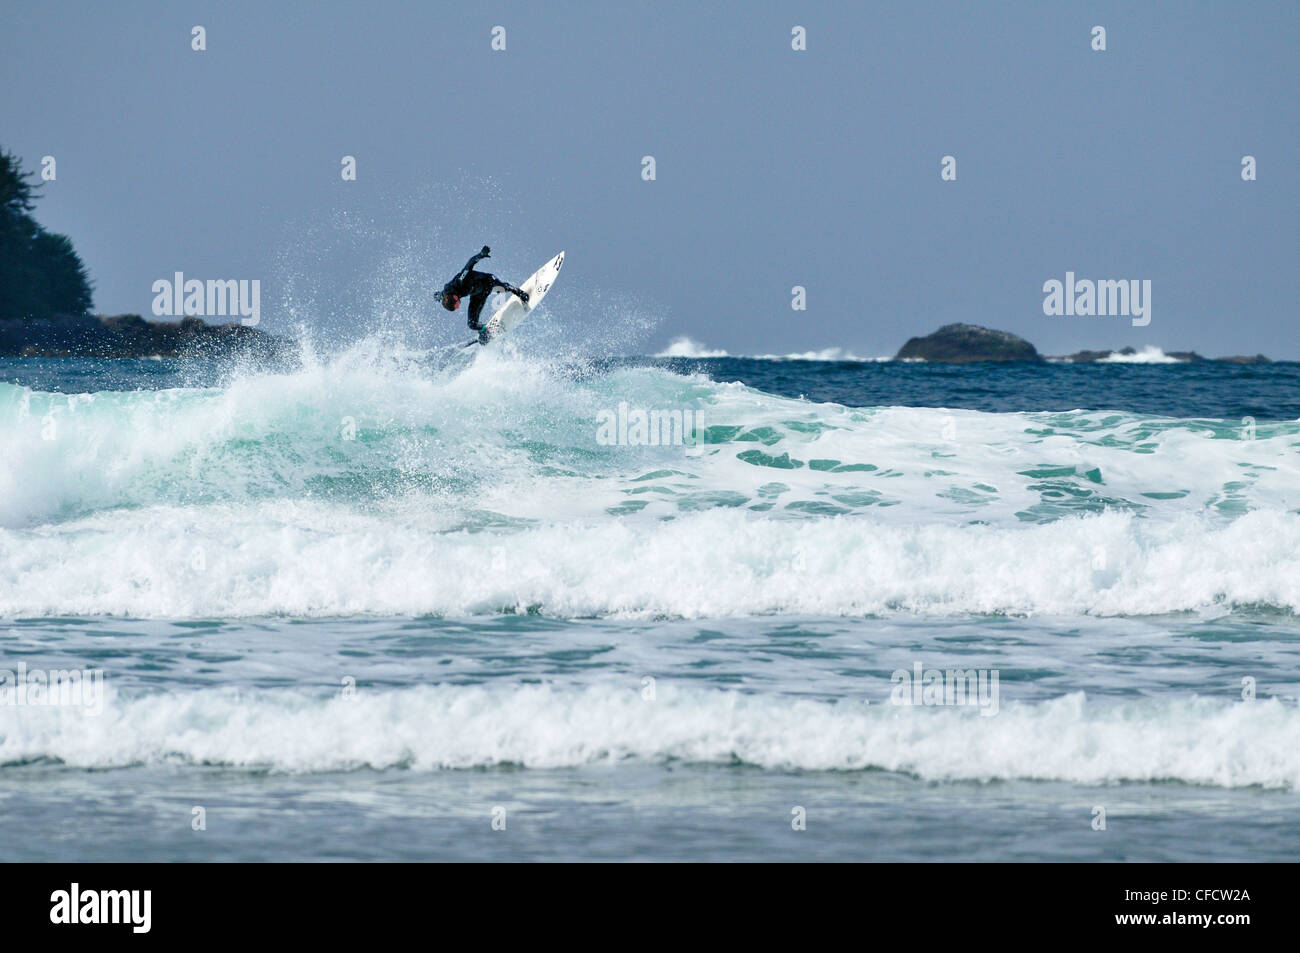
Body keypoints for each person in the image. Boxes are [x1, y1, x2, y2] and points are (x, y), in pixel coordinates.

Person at [437, 246, 529, 331]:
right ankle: (484, 330)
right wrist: (437, 296)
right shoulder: (447, 295)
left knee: (502, 288)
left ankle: (519, 293)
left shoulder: (460, 281)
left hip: (487, 281)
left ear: (455, 298)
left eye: (455, 306)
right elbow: (441, 295)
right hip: (477, 295)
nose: (457, 308)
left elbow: (469, 265)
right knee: (472, 324)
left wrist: (480, 255)